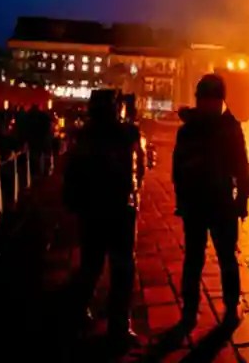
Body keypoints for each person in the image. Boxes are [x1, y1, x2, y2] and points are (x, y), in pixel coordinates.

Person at [63, 90, 145, 349]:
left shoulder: (84, 136)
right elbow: (138, 167)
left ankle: (78, 313)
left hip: (92, 211)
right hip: (120, 209)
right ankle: (118, 326)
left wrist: (74, 202)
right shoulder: (127, 133)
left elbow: (72, 174)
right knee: (122, 269)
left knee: (91, 265)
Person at [173, 74, 249, 330]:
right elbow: (242, 168)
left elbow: (241, 168)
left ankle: (200, 310)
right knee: (218, 257)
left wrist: (242, 200)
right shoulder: (227, 128)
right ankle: (221, 308)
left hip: (207, 204)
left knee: (206, 258)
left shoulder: (190, 129)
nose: (210, 104)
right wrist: (241, 201)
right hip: (215, 203)